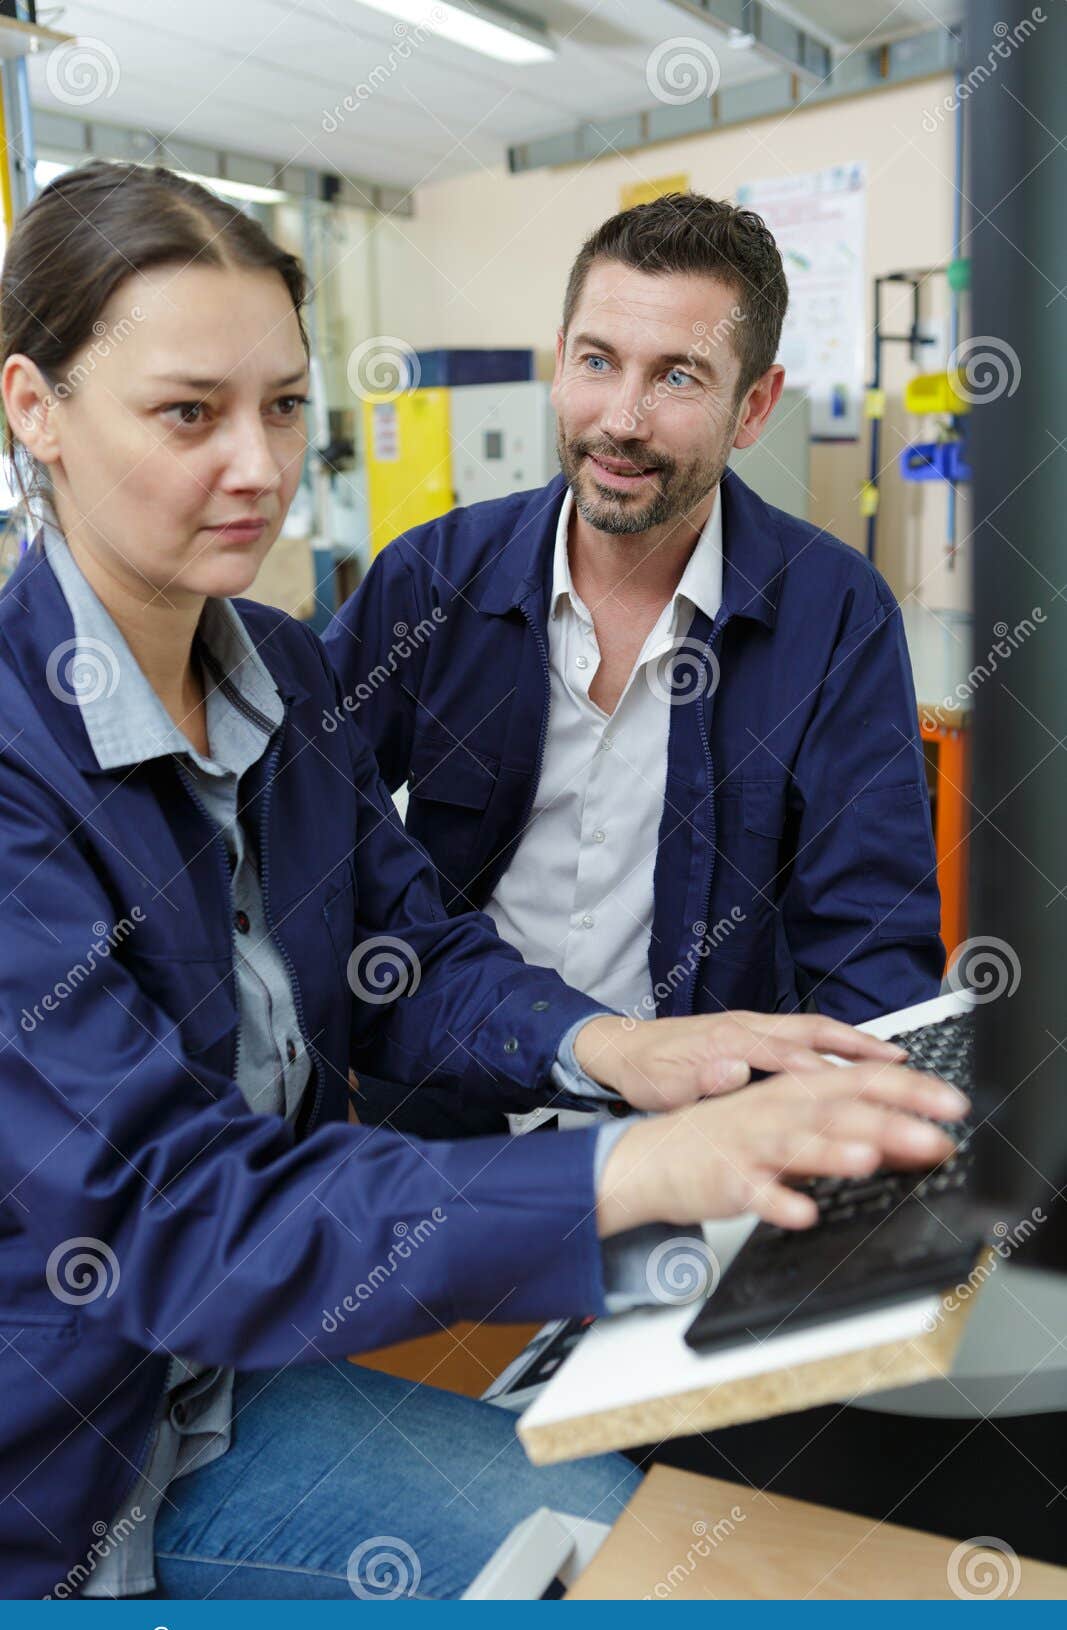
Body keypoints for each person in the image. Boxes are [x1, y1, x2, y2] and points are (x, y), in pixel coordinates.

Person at [0, 162, 965, 1600]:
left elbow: (407, 948)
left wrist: (612, 1048)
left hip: (254, 1355)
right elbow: (171, 1210)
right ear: (35, 411)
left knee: (630, 1528)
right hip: (81, 1459)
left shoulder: (278, 678)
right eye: (188, 413)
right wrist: (618, 1169)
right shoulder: (29, 757)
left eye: (282, 405)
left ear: (750, 405)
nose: (260, 467)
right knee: (607, 1585)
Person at [325, 192, 944, 1139]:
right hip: (451, 1124)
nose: (621, 419)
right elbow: (308, 830)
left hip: (700, 1139)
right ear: (561, 358)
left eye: (678, 378)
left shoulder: (834, 615)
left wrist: (845, 1154)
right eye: (597, 361)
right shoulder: (432, 580)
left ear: (754, 406)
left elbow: (866, 945)